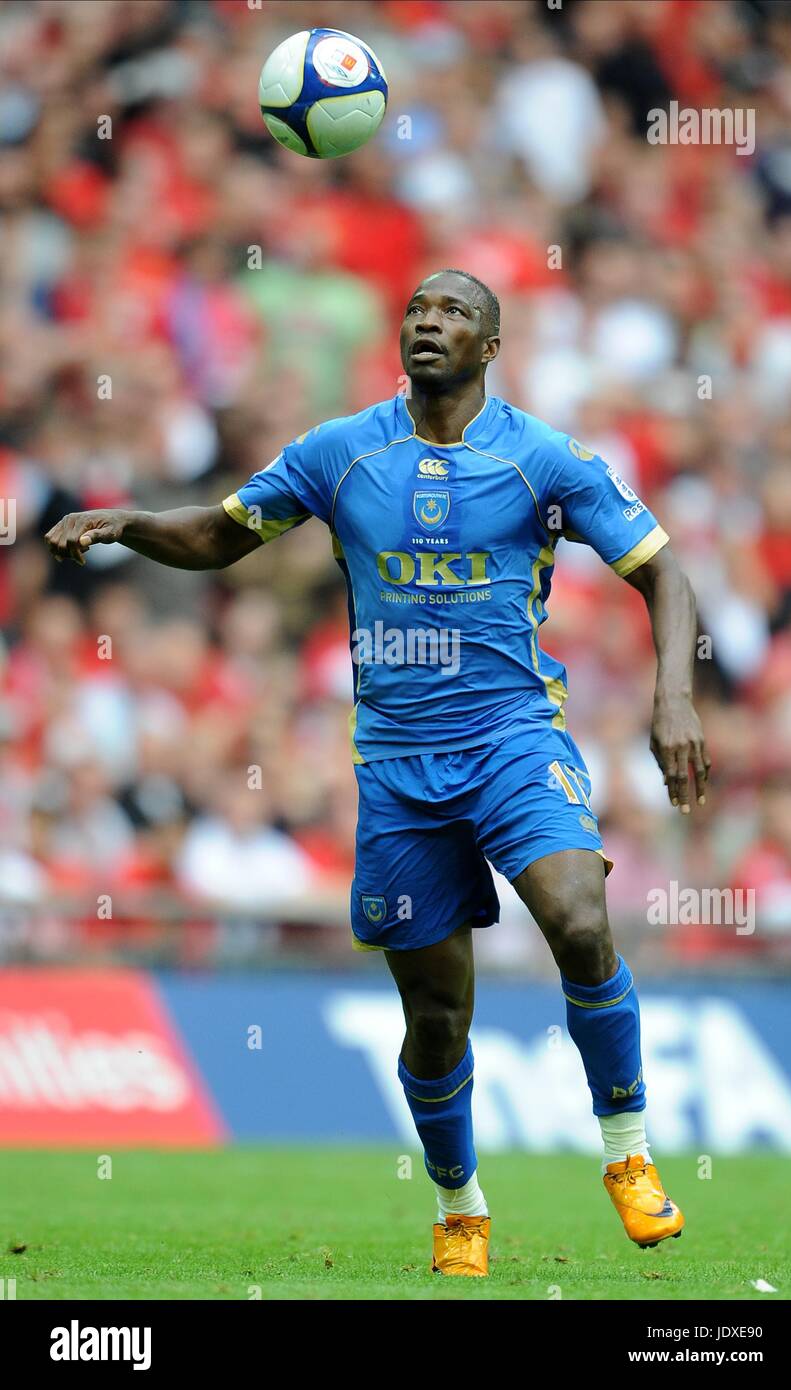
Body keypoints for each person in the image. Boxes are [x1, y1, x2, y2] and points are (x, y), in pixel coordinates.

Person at [45, 268, 710, 1277]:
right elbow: (223, 533)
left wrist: (674, 697)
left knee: (578, 916)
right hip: (397, 766)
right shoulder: (339, 452)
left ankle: (626, 1153)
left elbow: (662, 568)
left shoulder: (544, 459)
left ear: (491, 347)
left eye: (455, 314)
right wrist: (132, 522)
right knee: (437, 1016)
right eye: (417, 310)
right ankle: (459, 1206)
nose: (429, 324)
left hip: (513, 736)